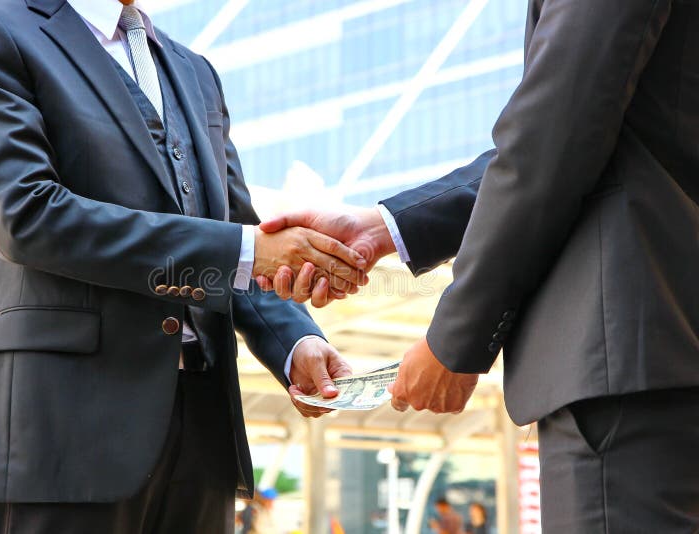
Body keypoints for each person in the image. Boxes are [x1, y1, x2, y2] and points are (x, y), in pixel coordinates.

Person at [258, 0, 699, 531]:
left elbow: (554, 135)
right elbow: (587, 131)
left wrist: (456, 339)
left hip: (628, 368)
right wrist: (382, 227)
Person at [0, 0, 366, 532]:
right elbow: (25, 214)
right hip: (64, 430)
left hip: (203, 430)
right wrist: (247, 250)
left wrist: (296, 342)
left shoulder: (195, 70)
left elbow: (236, 232)